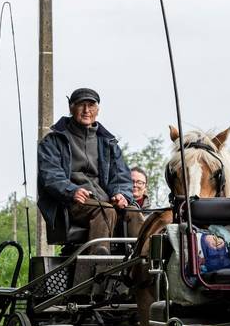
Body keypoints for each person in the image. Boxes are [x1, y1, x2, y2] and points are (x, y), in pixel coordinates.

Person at [37, 87, 134, 252]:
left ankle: (143, 267)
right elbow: (50, 176)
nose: (86, 110)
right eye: (81, 105)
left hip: (104, 200)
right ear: (71, 108)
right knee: (107, 211)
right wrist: (71, 190)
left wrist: (121, 194)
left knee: (133, 212)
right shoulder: (53, 140)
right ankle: (96, 266)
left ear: (98, 109)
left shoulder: (108, 142)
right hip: (70, 202)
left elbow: (120, 175)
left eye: (91, 105)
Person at [124, 167, 150, 238]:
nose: (135, 185)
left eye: (139, 182)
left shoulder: (152, 212)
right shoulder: (119, 205)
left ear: (145, 187)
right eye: (131, 181)